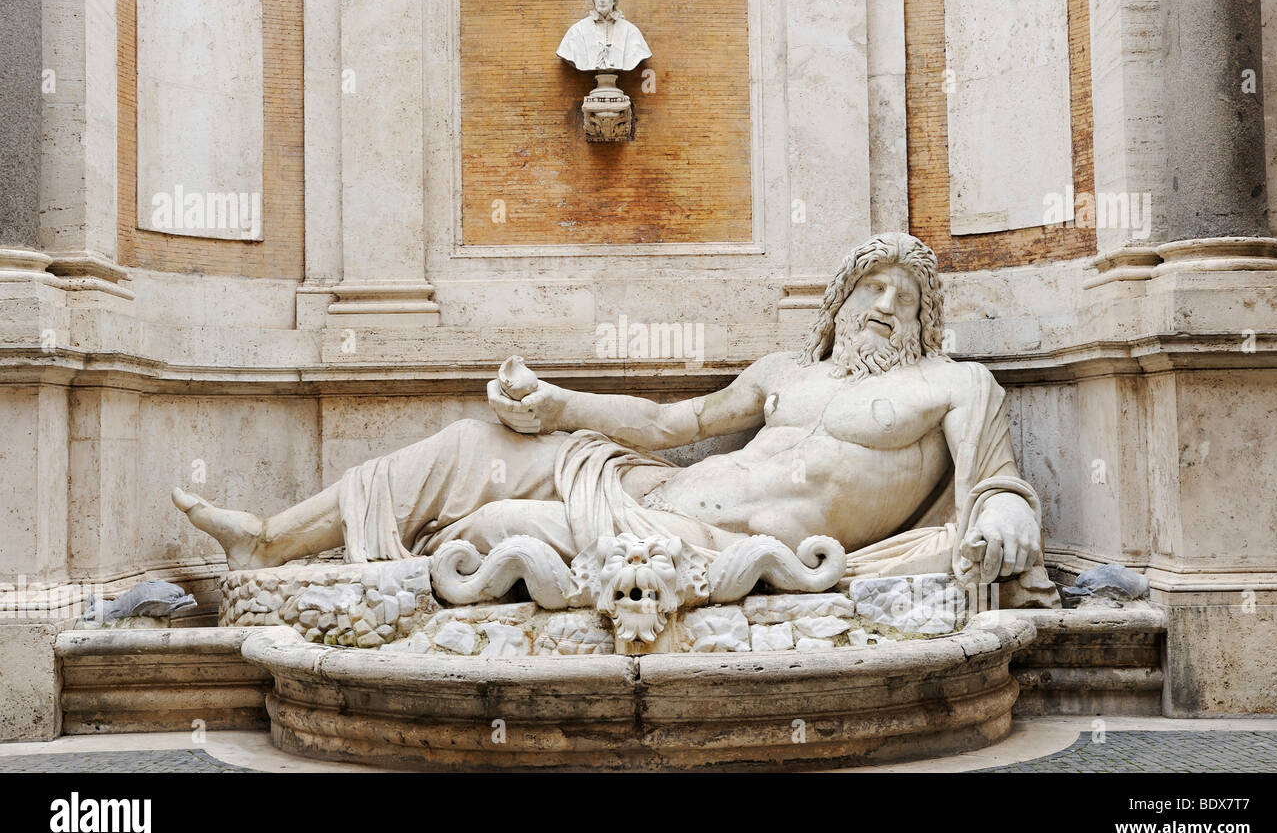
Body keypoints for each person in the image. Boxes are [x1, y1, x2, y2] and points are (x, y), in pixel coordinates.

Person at [174, 233, 1049, 599]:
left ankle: (386, 581)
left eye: (905, 293)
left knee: (495, 526)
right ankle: (269, 541)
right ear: (842, 299)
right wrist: (558, 404)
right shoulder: (787, 370)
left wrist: (1006, 509)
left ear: (926, 315)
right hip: (656, 486)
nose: (886, 303)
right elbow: (673, 424)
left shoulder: (956, 386)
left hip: (716, 547)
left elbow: (997, 483)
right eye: (871, 286)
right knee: (470, 443)